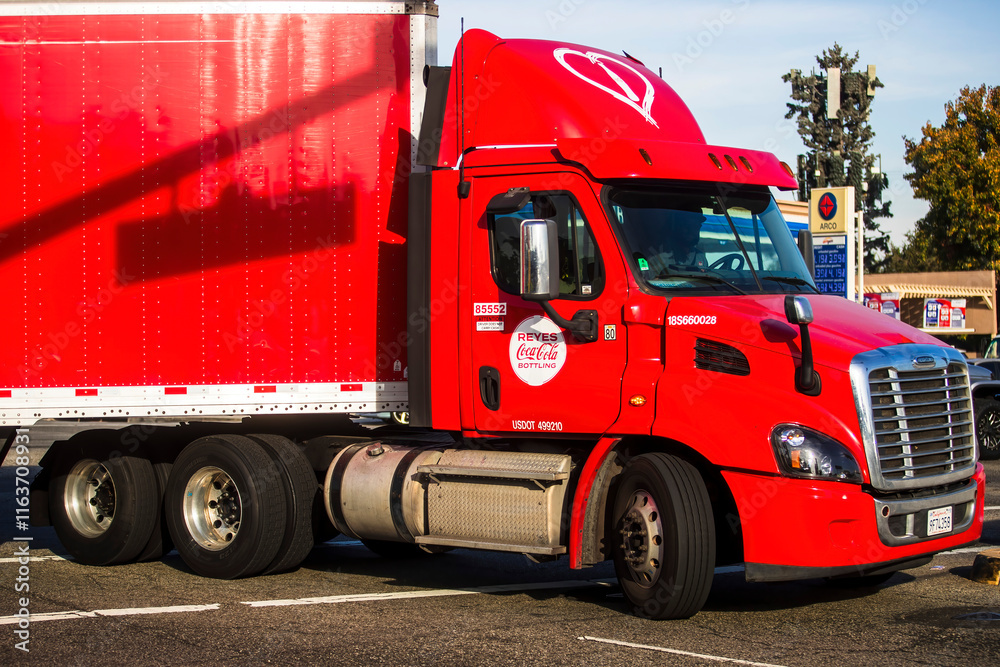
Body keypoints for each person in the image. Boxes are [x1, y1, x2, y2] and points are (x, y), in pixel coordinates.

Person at [649, 207, 707, 273]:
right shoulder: (659, 256)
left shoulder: (700, 257)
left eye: (695, 226)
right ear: (677, 226)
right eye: (686, 225)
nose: (691, 231)